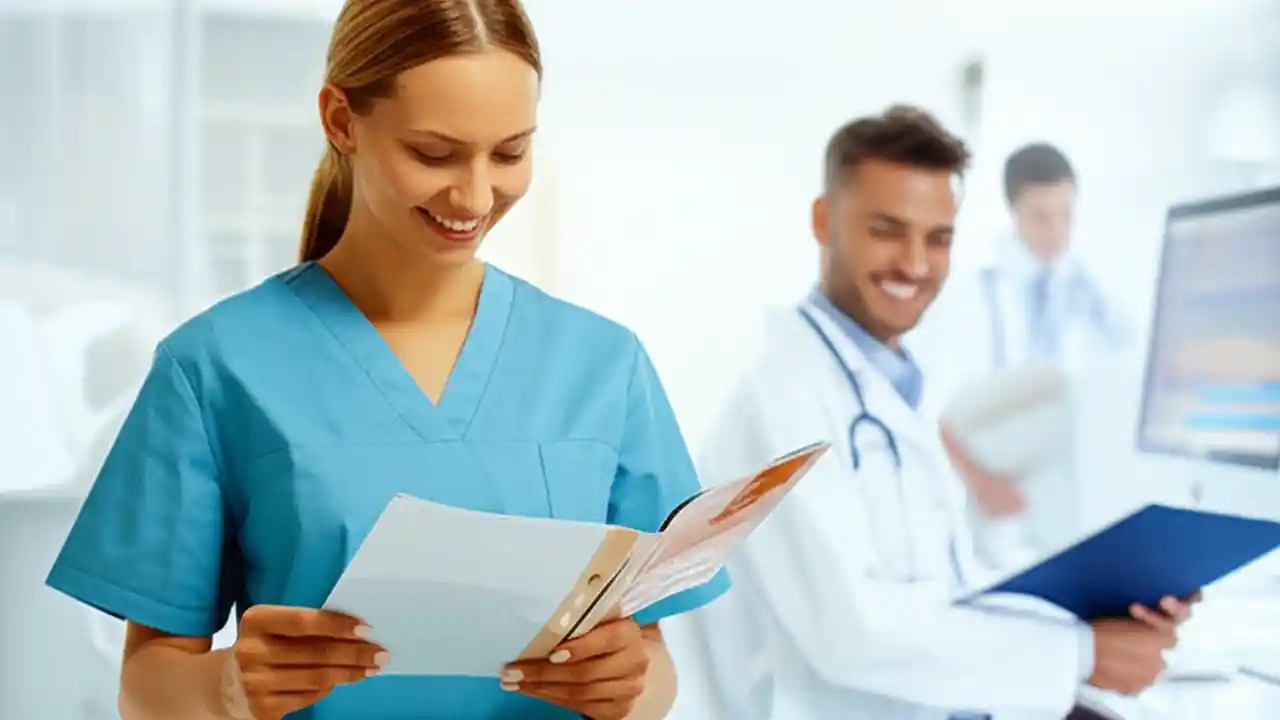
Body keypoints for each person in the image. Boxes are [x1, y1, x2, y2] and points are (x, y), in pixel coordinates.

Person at [44, 2, 727, 719]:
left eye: (510, 153)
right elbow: (145, 685)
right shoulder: (214, 367)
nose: (475, 195)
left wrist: (629, 685)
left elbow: (652, 660)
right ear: (341, 121)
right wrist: (232, 686)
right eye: (434, 153)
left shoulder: (602, 366)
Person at [680, 106, 1194, 720]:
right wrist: (1080, 653)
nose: (916, 263)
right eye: (887, 230)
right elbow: (854, 636)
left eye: (938, 237)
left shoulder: (886, 387)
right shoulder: (783, 403)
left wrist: (1090, 610)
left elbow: (943, 587)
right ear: (824, 221)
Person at [921, 143, 1134, 530]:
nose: (1056, 231)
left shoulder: (1089, 289)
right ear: (1013, 212)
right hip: (993, 489)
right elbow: (939, 414)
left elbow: (1126, 371)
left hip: (1072, 482)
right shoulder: (974, 294)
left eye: (1065, 215)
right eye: (1040, 217)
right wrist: (985, 487)